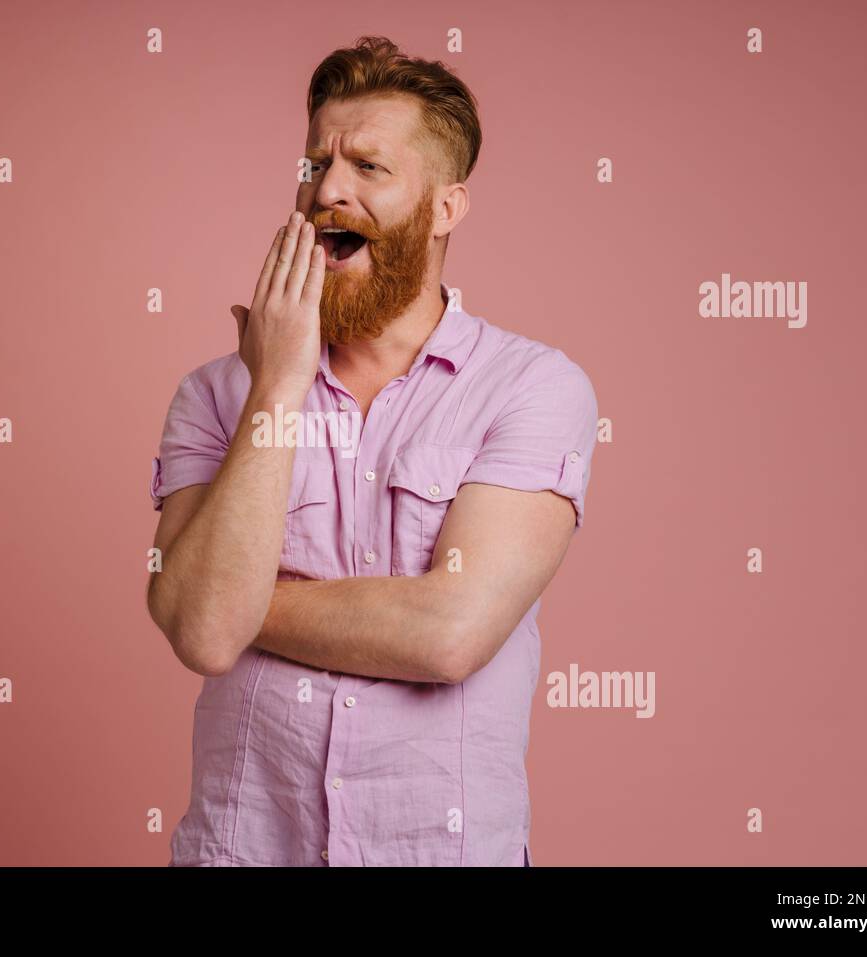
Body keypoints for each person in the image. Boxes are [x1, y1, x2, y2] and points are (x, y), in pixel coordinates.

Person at [146, 36, 598, 866]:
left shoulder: (532, 387)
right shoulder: (215, 394)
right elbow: (205, 635)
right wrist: (276, 389)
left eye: (368, 167)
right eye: (315, 161)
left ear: (447, 209)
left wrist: (239, 603)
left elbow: (449, 633)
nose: (328, 190)